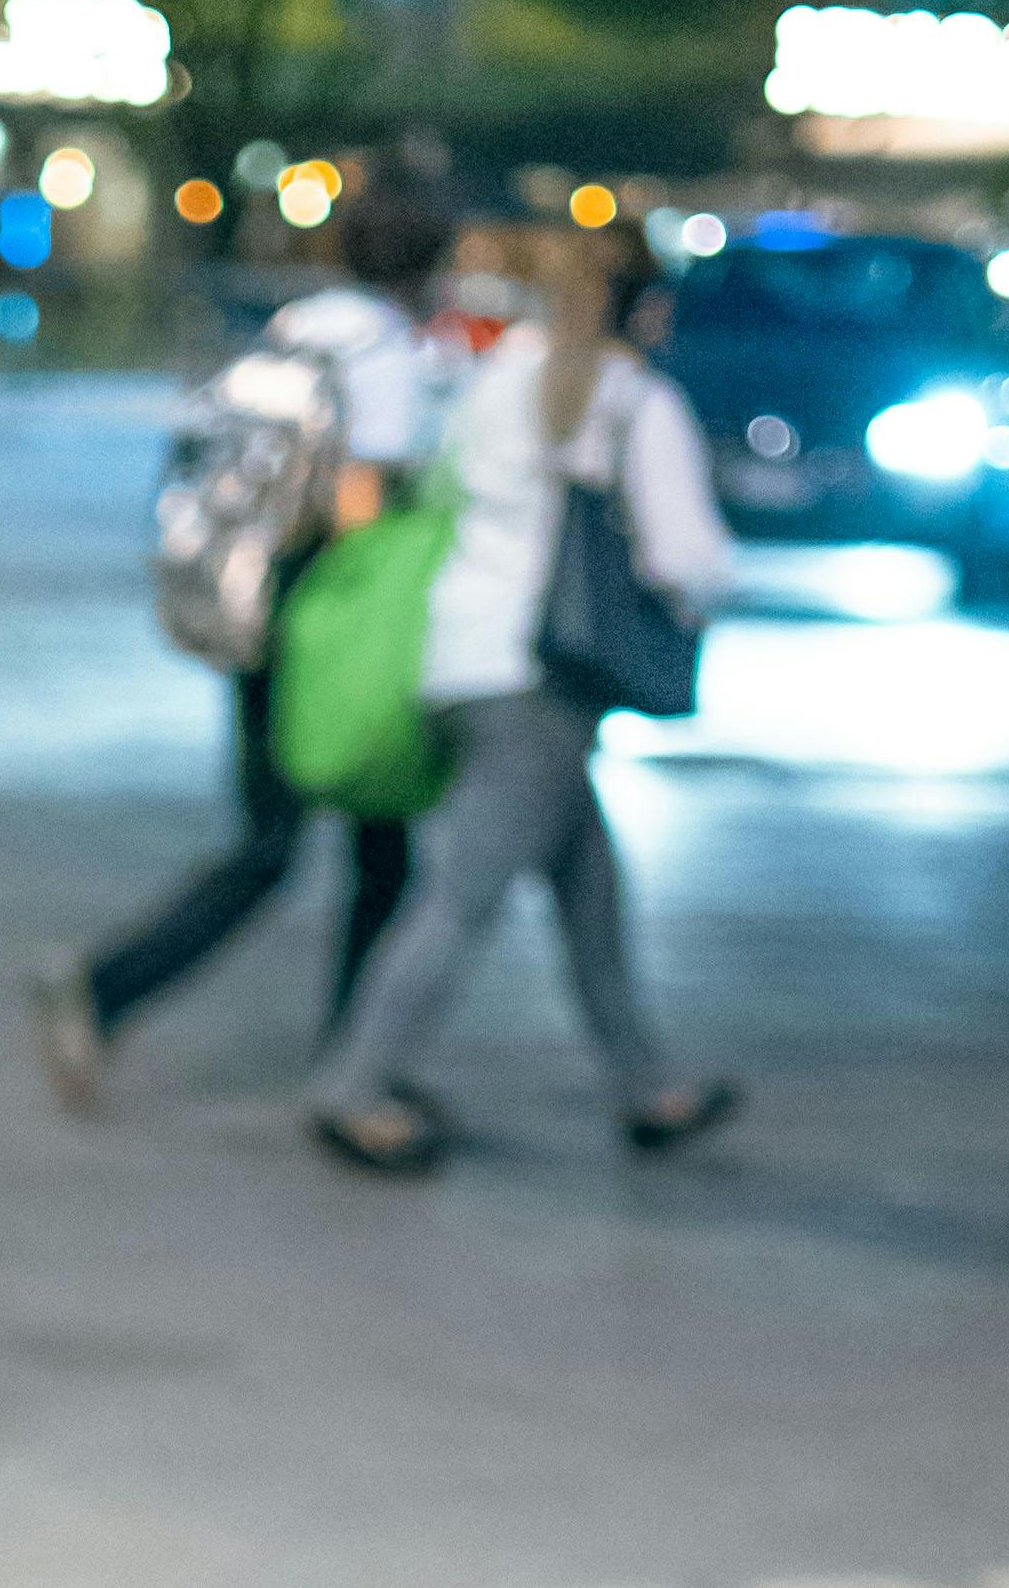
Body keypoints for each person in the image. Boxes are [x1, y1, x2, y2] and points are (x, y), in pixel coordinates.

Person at [307, 232, 742, 1177]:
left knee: (590, 884)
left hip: (457, 661)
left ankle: (647, 1086)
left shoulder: (500, 377)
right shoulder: (633, 401)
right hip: (539, 682)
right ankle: (354, 1087)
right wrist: (718, 585)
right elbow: (686, 555)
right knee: (460, 895)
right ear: (636, 305)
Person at [35, 182, 452, 1115]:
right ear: (431, 264)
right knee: (313, 842)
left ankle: (353, 1058)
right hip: (326, 621)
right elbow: (359, 505)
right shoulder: (385, 354)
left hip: (252, 601)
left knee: (354, 846)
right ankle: (114, 989)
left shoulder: (296, 328)